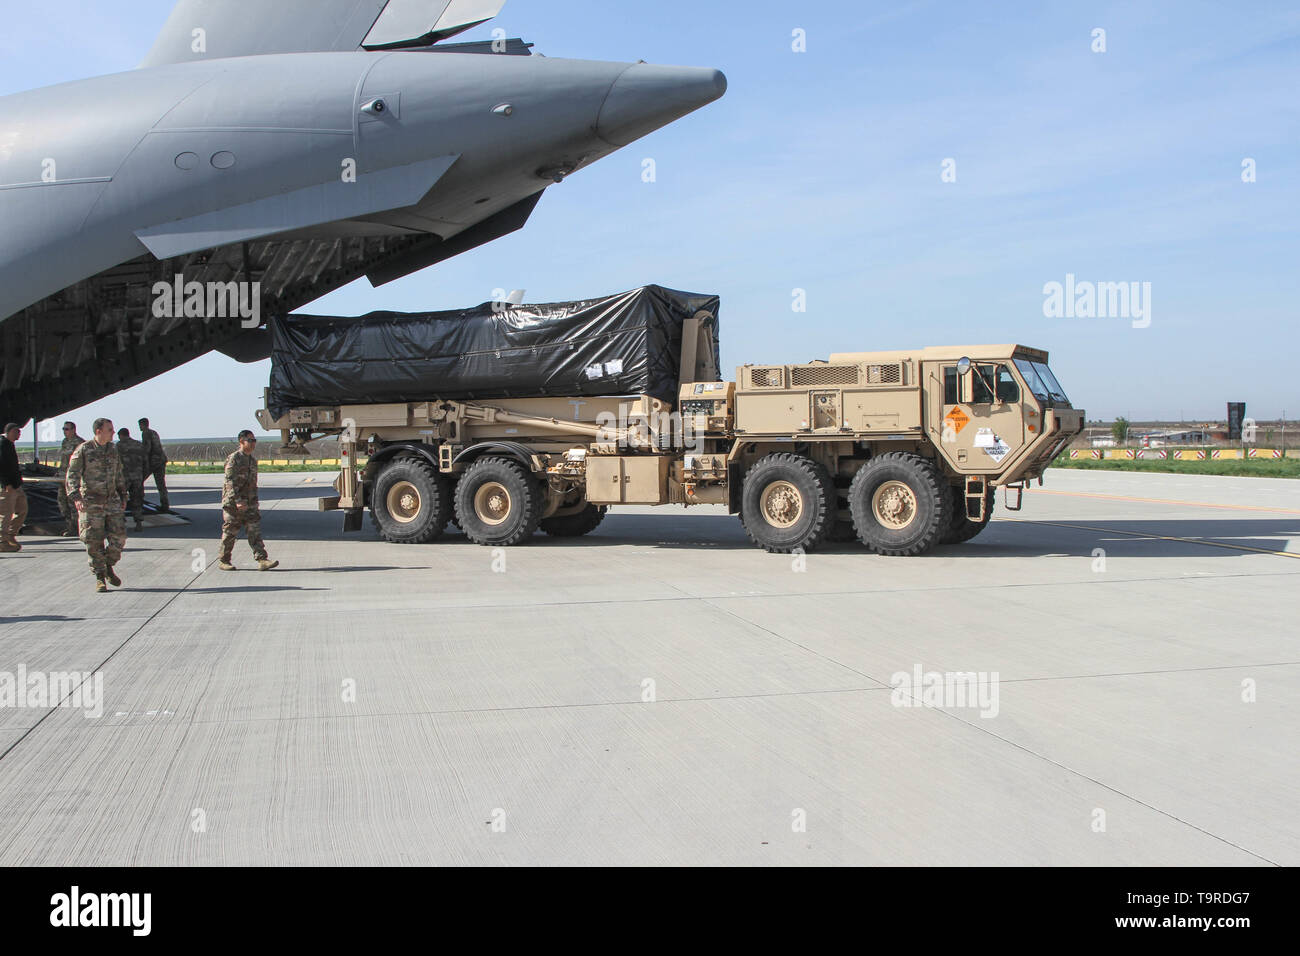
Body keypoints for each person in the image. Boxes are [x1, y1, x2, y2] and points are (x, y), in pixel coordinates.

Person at [66, 418, 128, 593]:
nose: (113, 432)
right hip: (91, 502)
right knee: (93, 540)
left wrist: (123, 494)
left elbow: (119, 474)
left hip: (112, 500)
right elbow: (72, 475)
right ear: (99, 431)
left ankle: (108, 564)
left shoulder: (113, 449)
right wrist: (76, 497)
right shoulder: (84, 450)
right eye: (110, 429)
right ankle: (100, 577)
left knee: (119, 538)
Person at [220, 430, 278, 571]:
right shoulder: (234, 459)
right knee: (230, 532)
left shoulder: (252, 460)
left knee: (254, 531)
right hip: (234, 503)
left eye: (254, 440)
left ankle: (262, 559)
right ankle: (224, 560)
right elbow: (230, 482)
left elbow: (252, 483)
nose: (253, 444)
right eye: (250, 441)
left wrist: (254, 501)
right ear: (241, 441)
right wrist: (238, 501)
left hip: (250, 503)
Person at [0, 423, 27, 553]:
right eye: (17, 431)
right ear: (9, 432)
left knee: (22, 509)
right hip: (7, 487)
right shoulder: (2, 445)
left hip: (16, 485)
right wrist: (6, 484)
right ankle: (2, 542)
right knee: (5, 514)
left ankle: (10, 536)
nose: (19, 434)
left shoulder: (9, 444)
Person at [56, 422, 85, 536]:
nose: (64, 431)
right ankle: (69, 525)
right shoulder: (65, 442)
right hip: (62, 477)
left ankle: (76, 528)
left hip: (73, 478)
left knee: (73, 503)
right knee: (62, 502)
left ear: (73, 429)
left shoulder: (80, 443)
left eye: (67, 429)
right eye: (63, 429)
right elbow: (63, 460)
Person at [116, 427, 146, 531]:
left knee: (121, 500)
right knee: (137, 499)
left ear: (121, 435)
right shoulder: (139, 445)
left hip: (124, 477)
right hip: (137, 477)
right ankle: (138, 523)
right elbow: (145, 461)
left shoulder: (119, 446)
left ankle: (121, 523)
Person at [139, 417, 170, 512]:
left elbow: (147, 448)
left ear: (143, 425)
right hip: (161, 460)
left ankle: (139, 501)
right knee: (161, 484)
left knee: (139, 480)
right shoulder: (154, 432)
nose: (139, 427)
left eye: (140, 425)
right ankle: (165, 504)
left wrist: (142, 460)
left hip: (153, 461)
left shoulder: (145, 433)